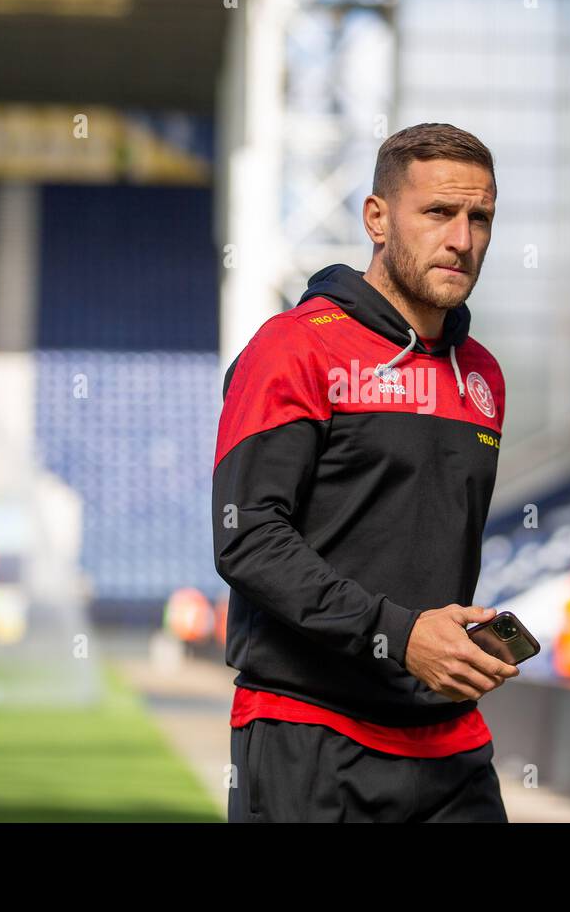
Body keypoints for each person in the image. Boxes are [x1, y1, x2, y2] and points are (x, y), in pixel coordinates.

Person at [212, 123, 517, 822]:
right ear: (377, 218)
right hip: (310, 735)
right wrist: (400, 634)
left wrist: (453, 646)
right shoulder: (292, 349)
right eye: (439, 212)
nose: (462, 239)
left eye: (481, 219)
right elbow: (247, 537)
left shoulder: (483, 375)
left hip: (448, 743)